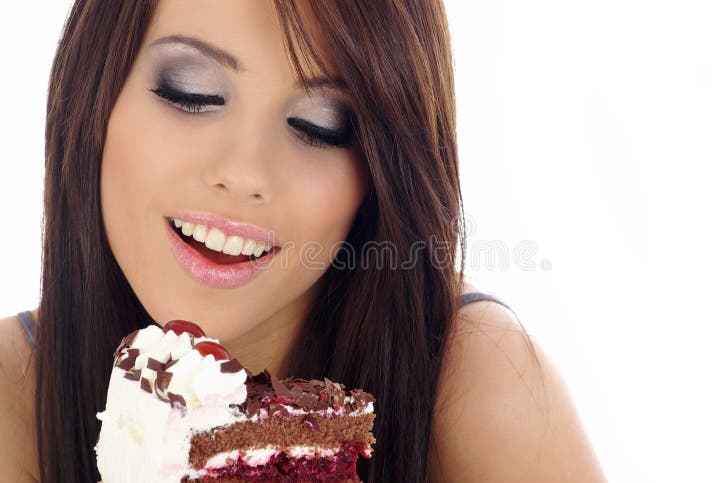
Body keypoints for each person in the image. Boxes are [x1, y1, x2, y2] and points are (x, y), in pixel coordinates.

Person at [0, 0, 606, 481]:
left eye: (320, 126)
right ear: (94, 90)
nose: (244, 173)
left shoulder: (482, 383)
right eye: (190, 91)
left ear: (378, 174)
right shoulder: (13, 398)